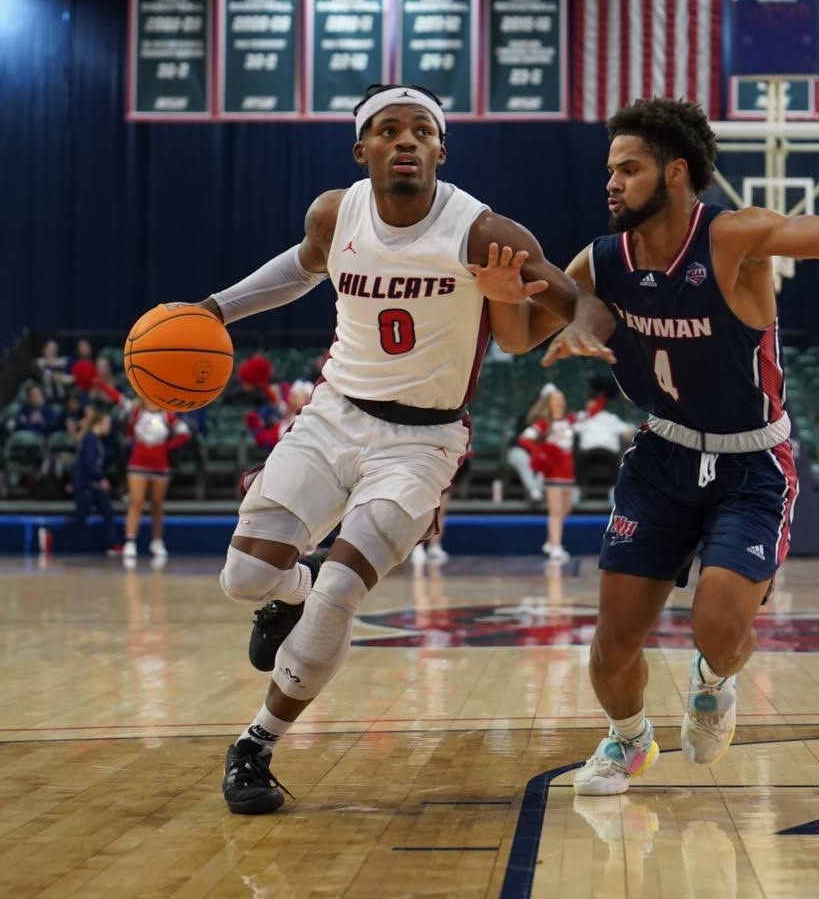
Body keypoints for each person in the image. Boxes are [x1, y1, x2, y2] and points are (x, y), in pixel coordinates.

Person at [504, 96, 819, 795]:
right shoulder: (603, 258)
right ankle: (628, 739)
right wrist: (502, 295)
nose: (610, 183)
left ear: (675, 174)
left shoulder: (732, 238)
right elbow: (521, 332)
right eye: (610, 169)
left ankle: (712, 681)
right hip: (663, 453)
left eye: (628, 169)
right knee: (614, 640)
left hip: (751, 459)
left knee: (719, 625)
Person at [188, 82, 612, 815]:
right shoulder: (335, 211)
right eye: (389, 130)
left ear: (442, 149)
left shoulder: (482, 231)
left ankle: (255, 745)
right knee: (243, 581)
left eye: (422, 130)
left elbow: (580, 301)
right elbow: (300, 266)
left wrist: (578, 323)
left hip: (423, 440)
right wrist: (215, 310)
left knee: (343, 592)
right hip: (332, 416)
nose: (406, 140)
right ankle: (286, 594)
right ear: (364, 150)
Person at [94, 381, 191, 564]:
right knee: (136, 502)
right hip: (138, 465)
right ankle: (130, 541)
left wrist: (167, 447)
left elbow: (185, 433)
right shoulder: (136, 412)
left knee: (156, 505)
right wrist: (102, 384)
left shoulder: (167, 416)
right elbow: (119, 399)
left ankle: (157, 541)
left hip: (160, 467)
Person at [518, 384, 577, 563]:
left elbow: (589, 414)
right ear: (548, 403)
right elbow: (524, 438)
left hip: (568, 472)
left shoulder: (568, 420)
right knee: (556, 512)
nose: (560, 402)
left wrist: (602, 397)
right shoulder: (545, 423)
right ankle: (556, 547)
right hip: (553, 474)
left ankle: (551, 543)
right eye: (556, 400)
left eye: (562, 399)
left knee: (566, 509)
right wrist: (540, 452)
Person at [66, 409, 117, 550]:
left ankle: (113, 544)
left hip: (90, 483)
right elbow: (89, 464)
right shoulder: (90, 439)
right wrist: (100, 479)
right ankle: (56, 538)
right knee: (82, 517)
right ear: (99, 423)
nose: (109, 427)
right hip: (86, 484)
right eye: (107, 423)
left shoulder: (95, 440)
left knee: (104, 512)